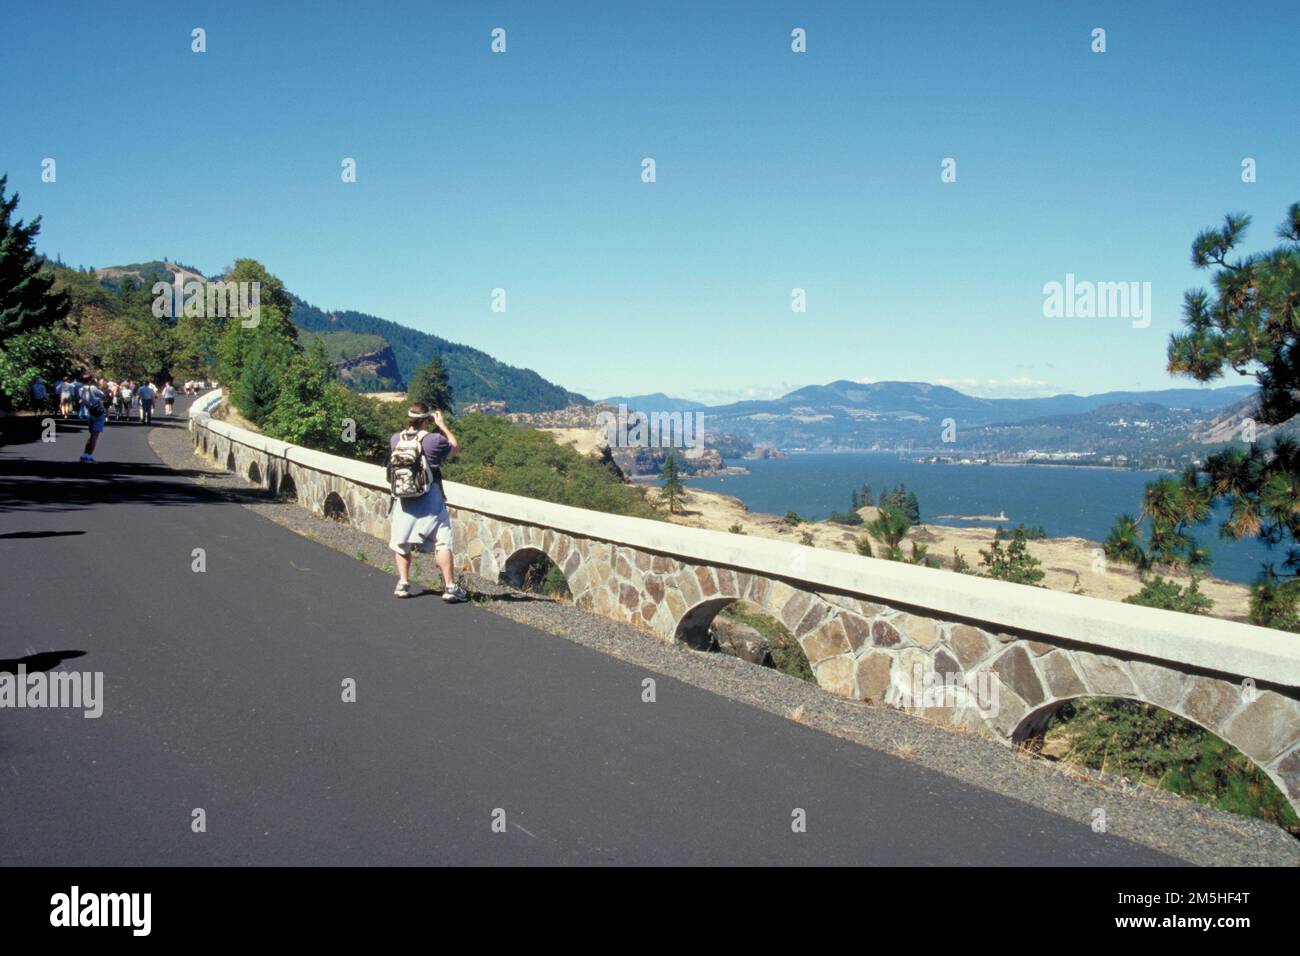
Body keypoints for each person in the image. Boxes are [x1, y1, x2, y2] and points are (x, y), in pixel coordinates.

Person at [387, 403, 467, 602]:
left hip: (403, 499)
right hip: (430, 498)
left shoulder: (396, 439)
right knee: (442, 541)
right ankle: (449, 587)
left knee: (401, 541)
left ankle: (403, 583)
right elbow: (455, 448)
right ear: (426, 420)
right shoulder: (434, 440)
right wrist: (442, 425)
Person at [79, 376, 107, 463]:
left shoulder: (81, 389)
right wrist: (104, 388)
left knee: (91, 435)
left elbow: (83, 400)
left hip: (90, 412)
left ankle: (85, 455)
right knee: (95, 436)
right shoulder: (93, 388)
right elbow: (103, 395)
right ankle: (89, 456)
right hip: (98, 413)